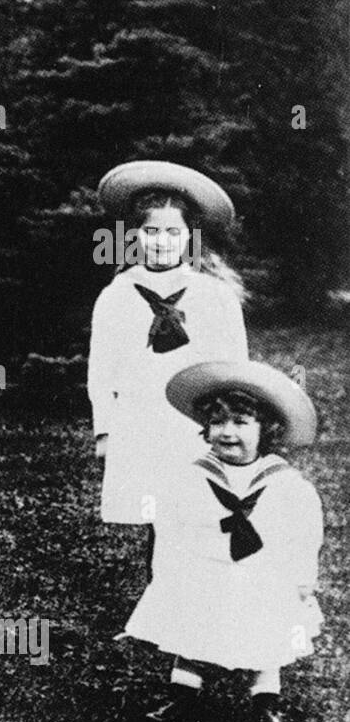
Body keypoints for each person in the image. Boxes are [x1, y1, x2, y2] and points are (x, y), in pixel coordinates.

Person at [120, 360, 323, 722]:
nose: (226, 432)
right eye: (217, 422)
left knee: (269, 636)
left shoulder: (287, 485)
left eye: (241, 423)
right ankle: (182, 695)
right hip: (203, 569)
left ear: (268, 430)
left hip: (263, 575)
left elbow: (304, 533)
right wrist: (167, 572)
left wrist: (301, 578)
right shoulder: (190, 477)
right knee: (193, 628)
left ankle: (266, 704)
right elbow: (169, 526)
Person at [88, 161, 249, 557]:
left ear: (189, 236)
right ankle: (160, 602)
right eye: (151, 231)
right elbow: (102, 369)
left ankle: (201, 602)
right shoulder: (117, 295)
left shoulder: (214, 296)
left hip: (194, 424)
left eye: (173, 232)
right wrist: (105, 431)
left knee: (199, 514)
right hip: (140, 424)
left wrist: (231, 425)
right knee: (157, 517)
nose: (162, 242)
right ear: (135, 235)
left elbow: (235, 367)